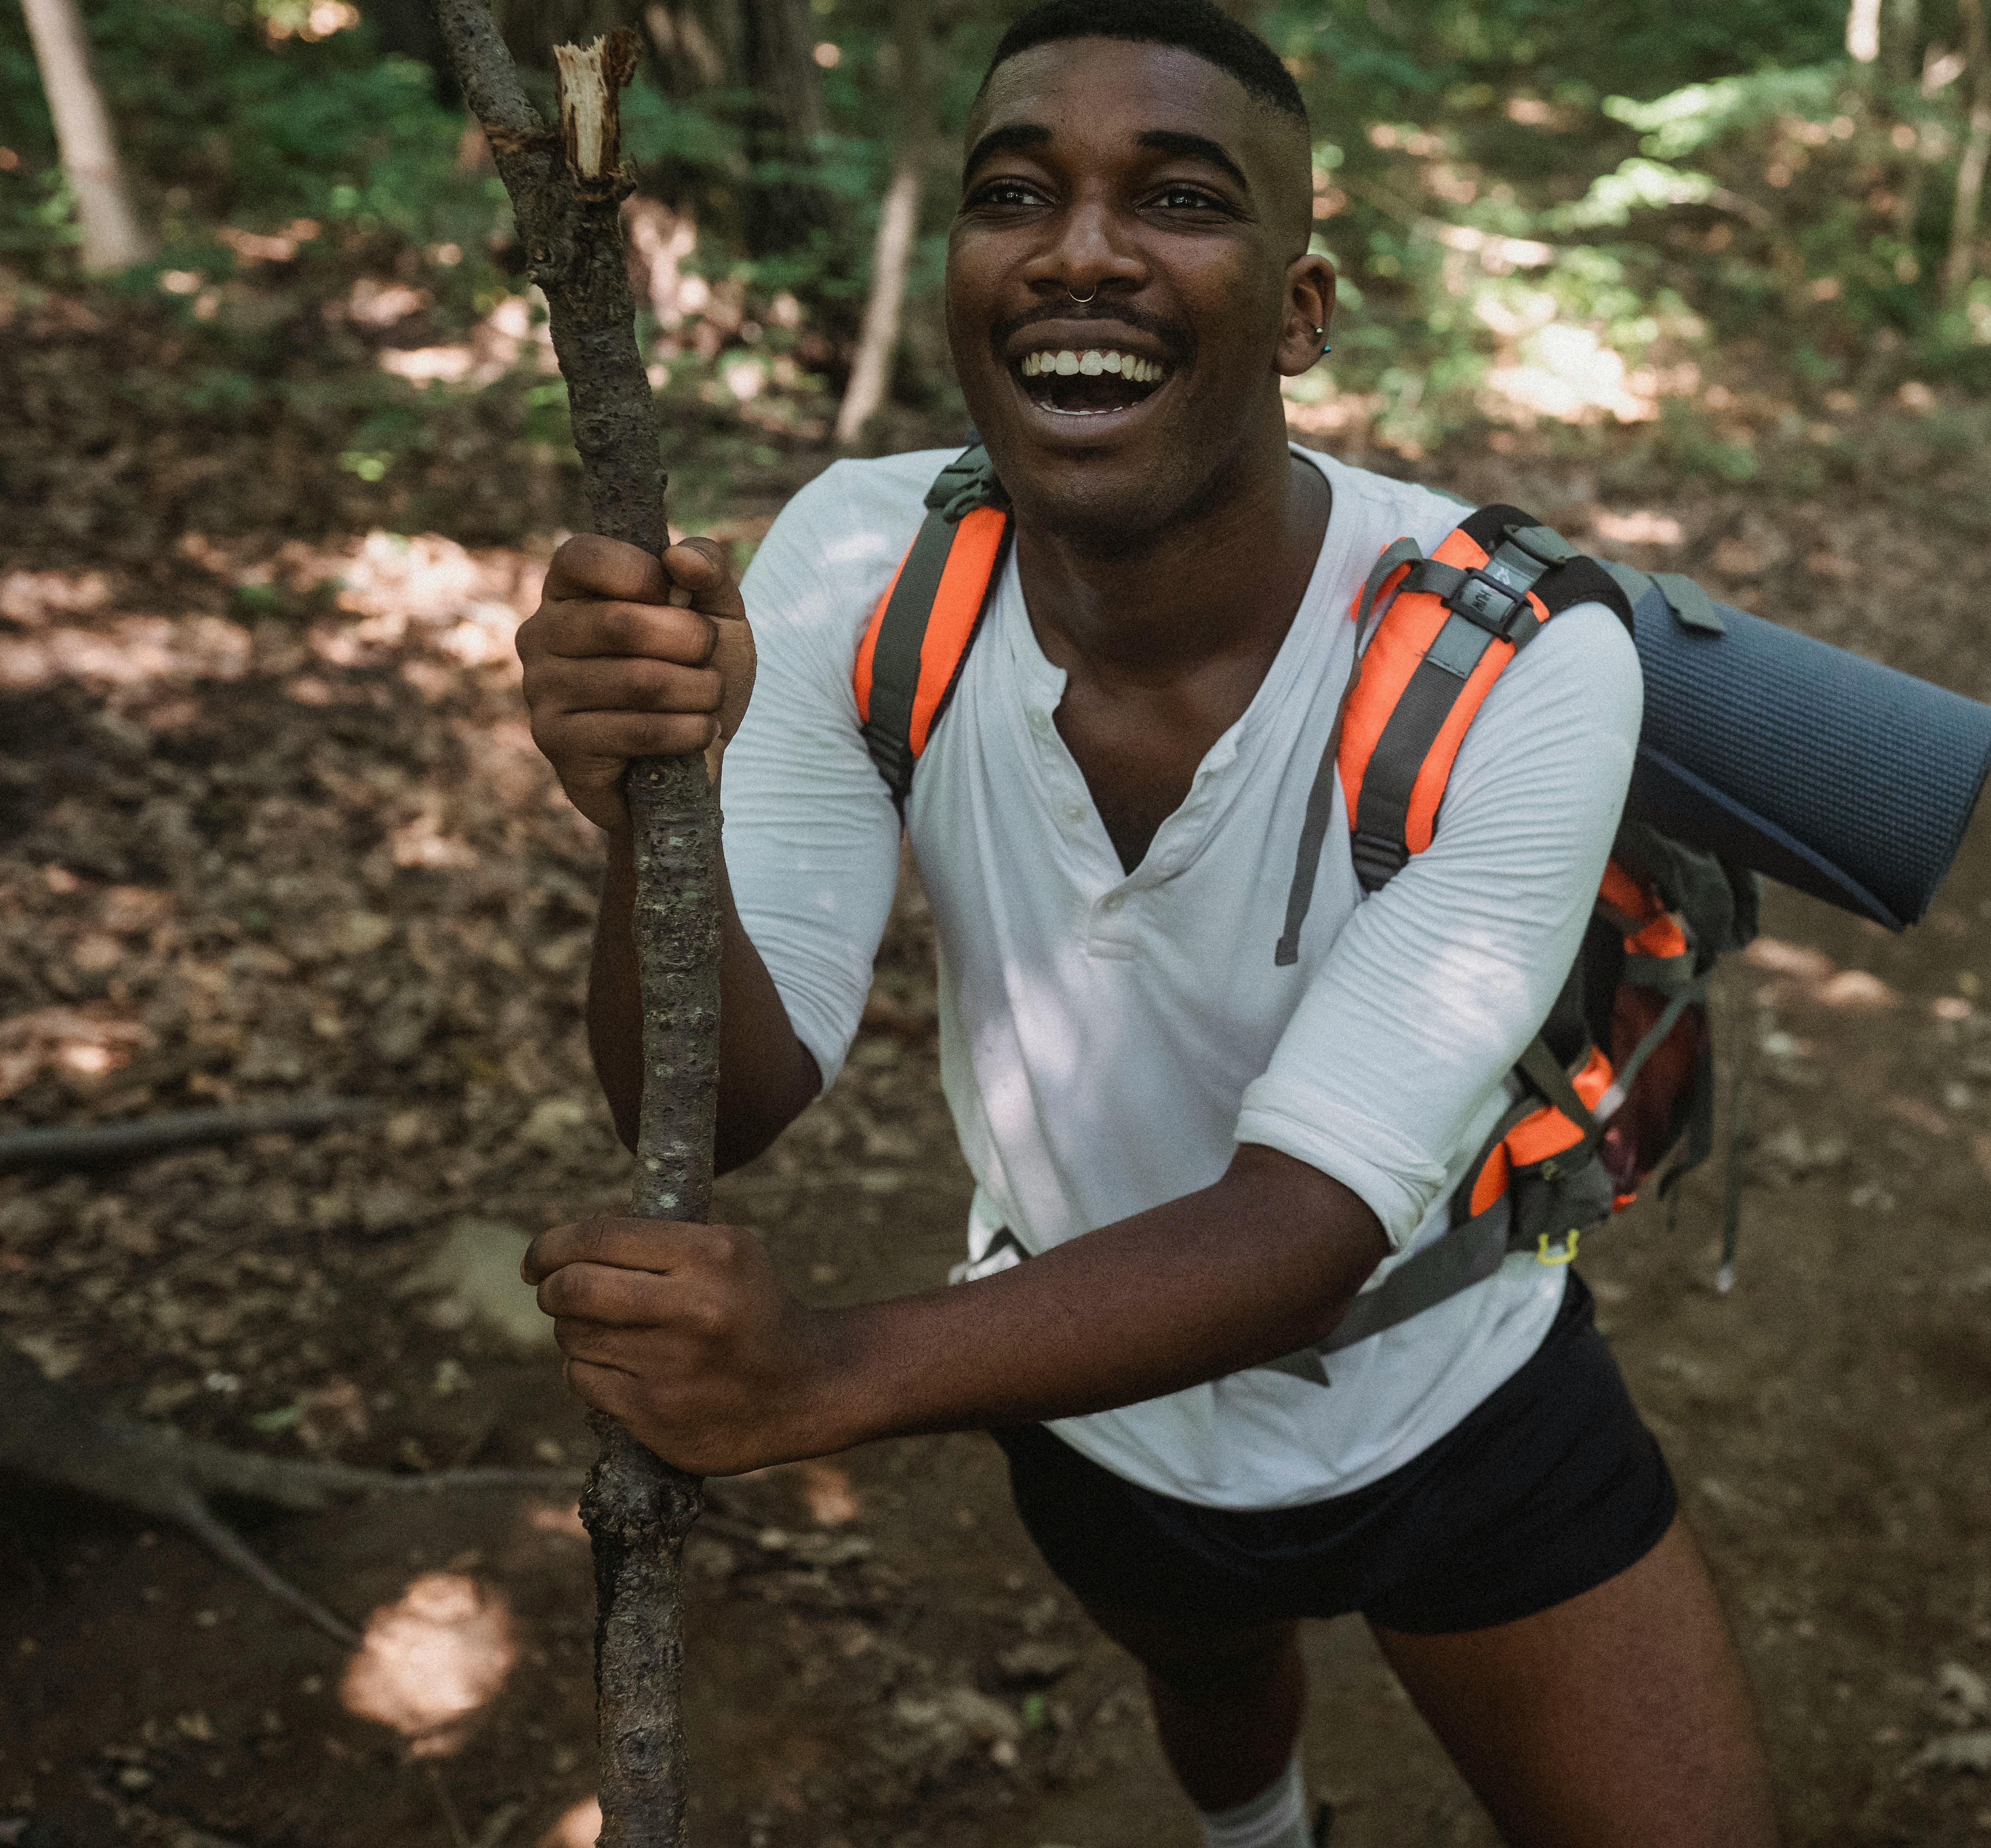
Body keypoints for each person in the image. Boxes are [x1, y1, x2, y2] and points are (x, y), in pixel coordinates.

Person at [512, 2, 1779, 1842]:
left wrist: (827, 1375)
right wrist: (655, 813)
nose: (1080, 248)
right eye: (1014, 190)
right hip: (1083, 1400)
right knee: (1204, 1676)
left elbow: (1309, 1225)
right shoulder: (866, 564)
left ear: (1301, 310)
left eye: (1179, 198)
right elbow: (713, 1104)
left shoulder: (1511, 656)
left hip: (1455, 1387)